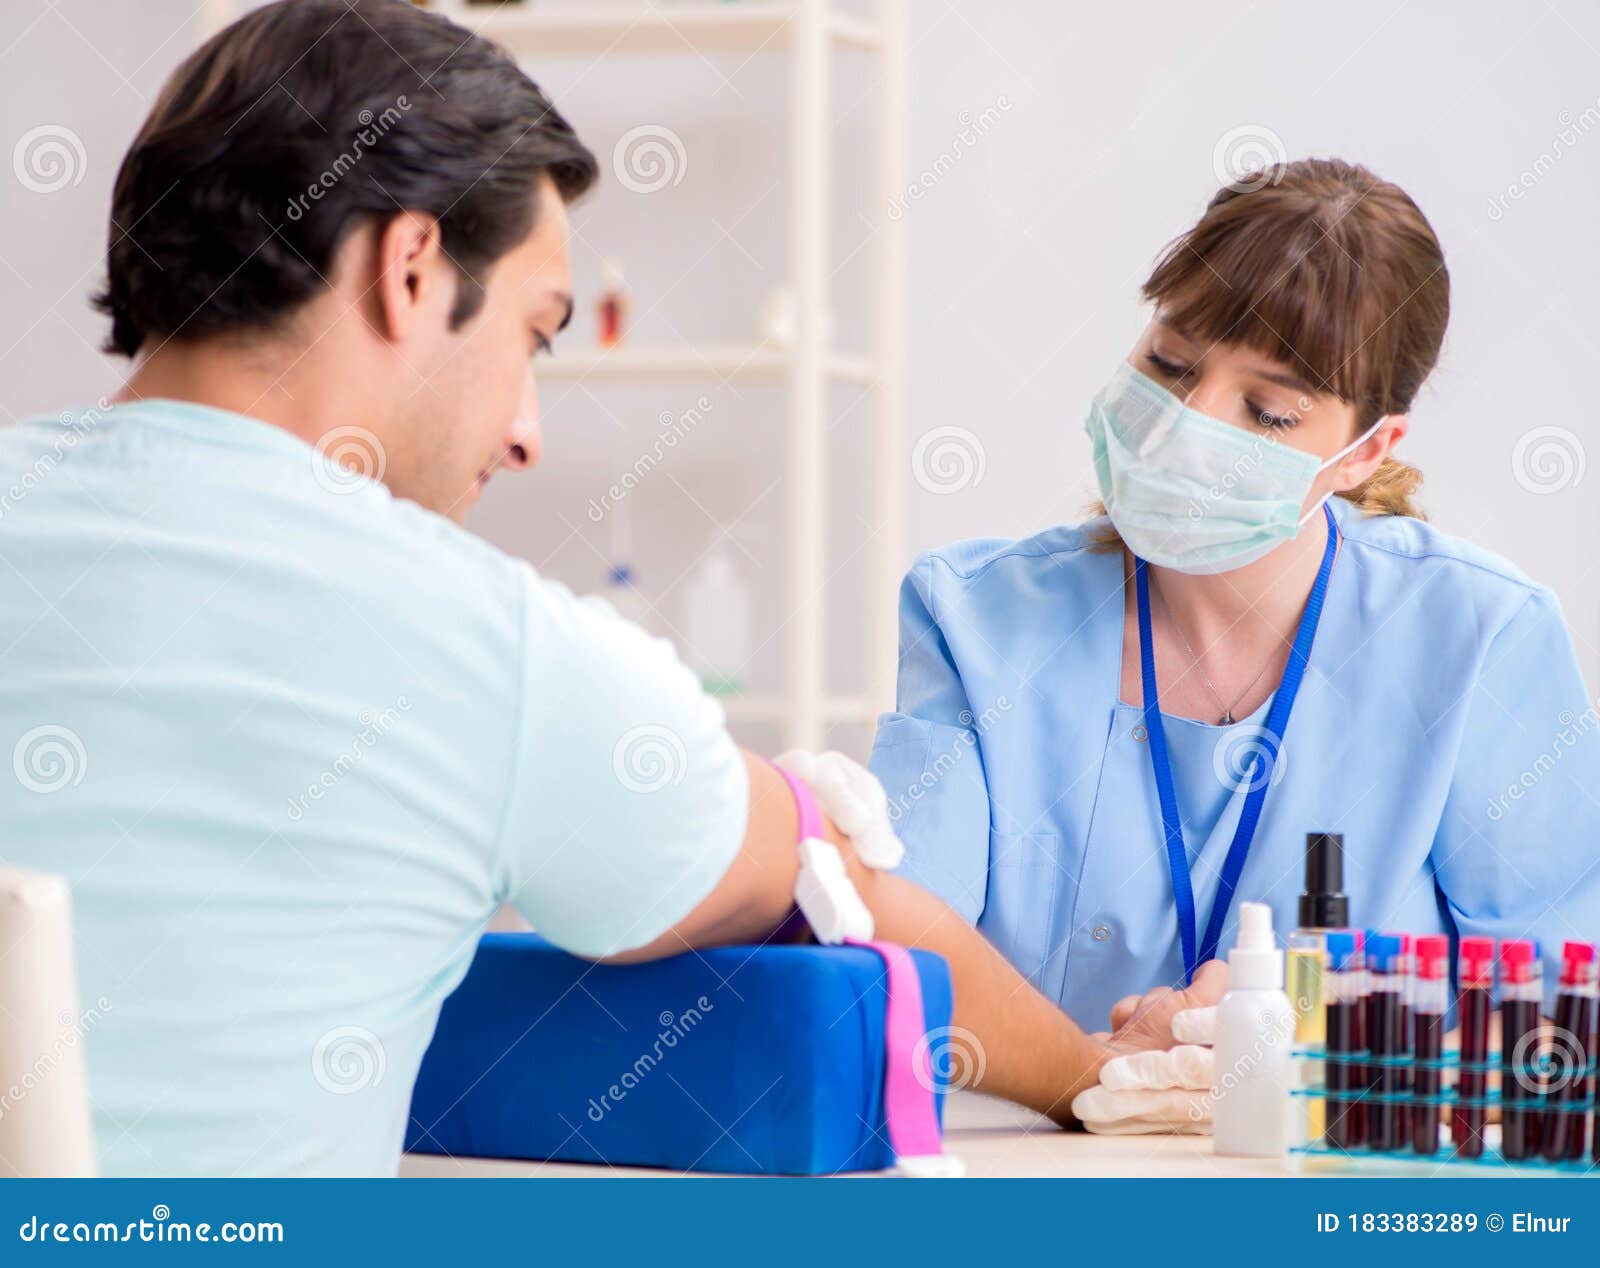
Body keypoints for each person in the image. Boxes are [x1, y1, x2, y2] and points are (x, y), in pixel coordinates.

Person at [0, 0, 1217, 1177]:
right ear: (411, 269)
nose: (524, 430)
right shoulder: (488, 646)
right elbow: (831, 878)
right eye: (534, 332)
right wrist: (1090, 1072)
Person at [870, 157, 1600, 1041]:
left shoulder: (1478, 636)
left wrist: (1317, 1036)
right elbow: (899, 973)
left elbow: (1555, 1027)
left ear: (1367, 449)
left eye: (1268, 413)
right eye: (1172, 365)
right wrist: (1098, 1073)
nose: (1191, 423)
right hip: (1036, 1169)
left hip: (1343, 1174)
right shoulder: (974, 617)